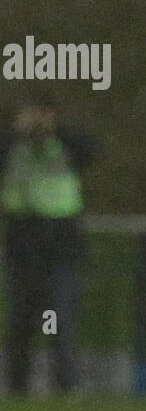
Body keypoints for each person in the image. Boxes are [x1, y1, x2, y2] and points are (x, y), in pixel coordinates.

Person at [1, 101, 94, 394]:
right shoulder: (13, 147)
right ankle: (18, 388)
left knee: (62, 323)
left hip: (60, 251)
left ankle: (66, 387)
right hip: (22, 249)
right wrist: (17, 133)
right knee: (20, 326)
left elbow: (90, 150)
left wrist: (56, 131)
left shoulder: (64, 145)